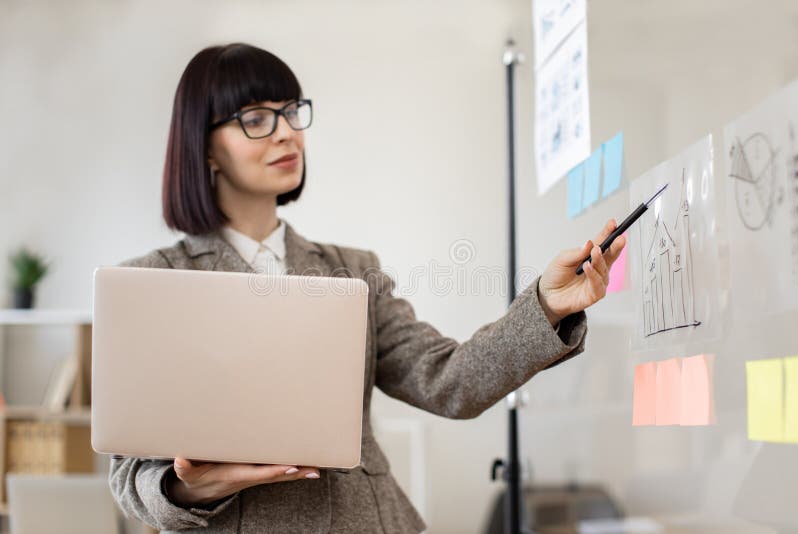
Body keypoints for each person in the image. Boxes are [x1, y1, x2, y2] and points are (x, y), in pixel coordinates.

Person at [108, 42, 625, 534]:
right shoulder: (155, 281)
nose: (287, 133)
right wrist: (188, 487)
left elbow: (450, 382)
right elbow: (129, 476)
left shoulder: (352, 271)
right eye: (257, 119)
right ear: (205, 149)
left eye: (291, 111)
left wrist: (548, 307)